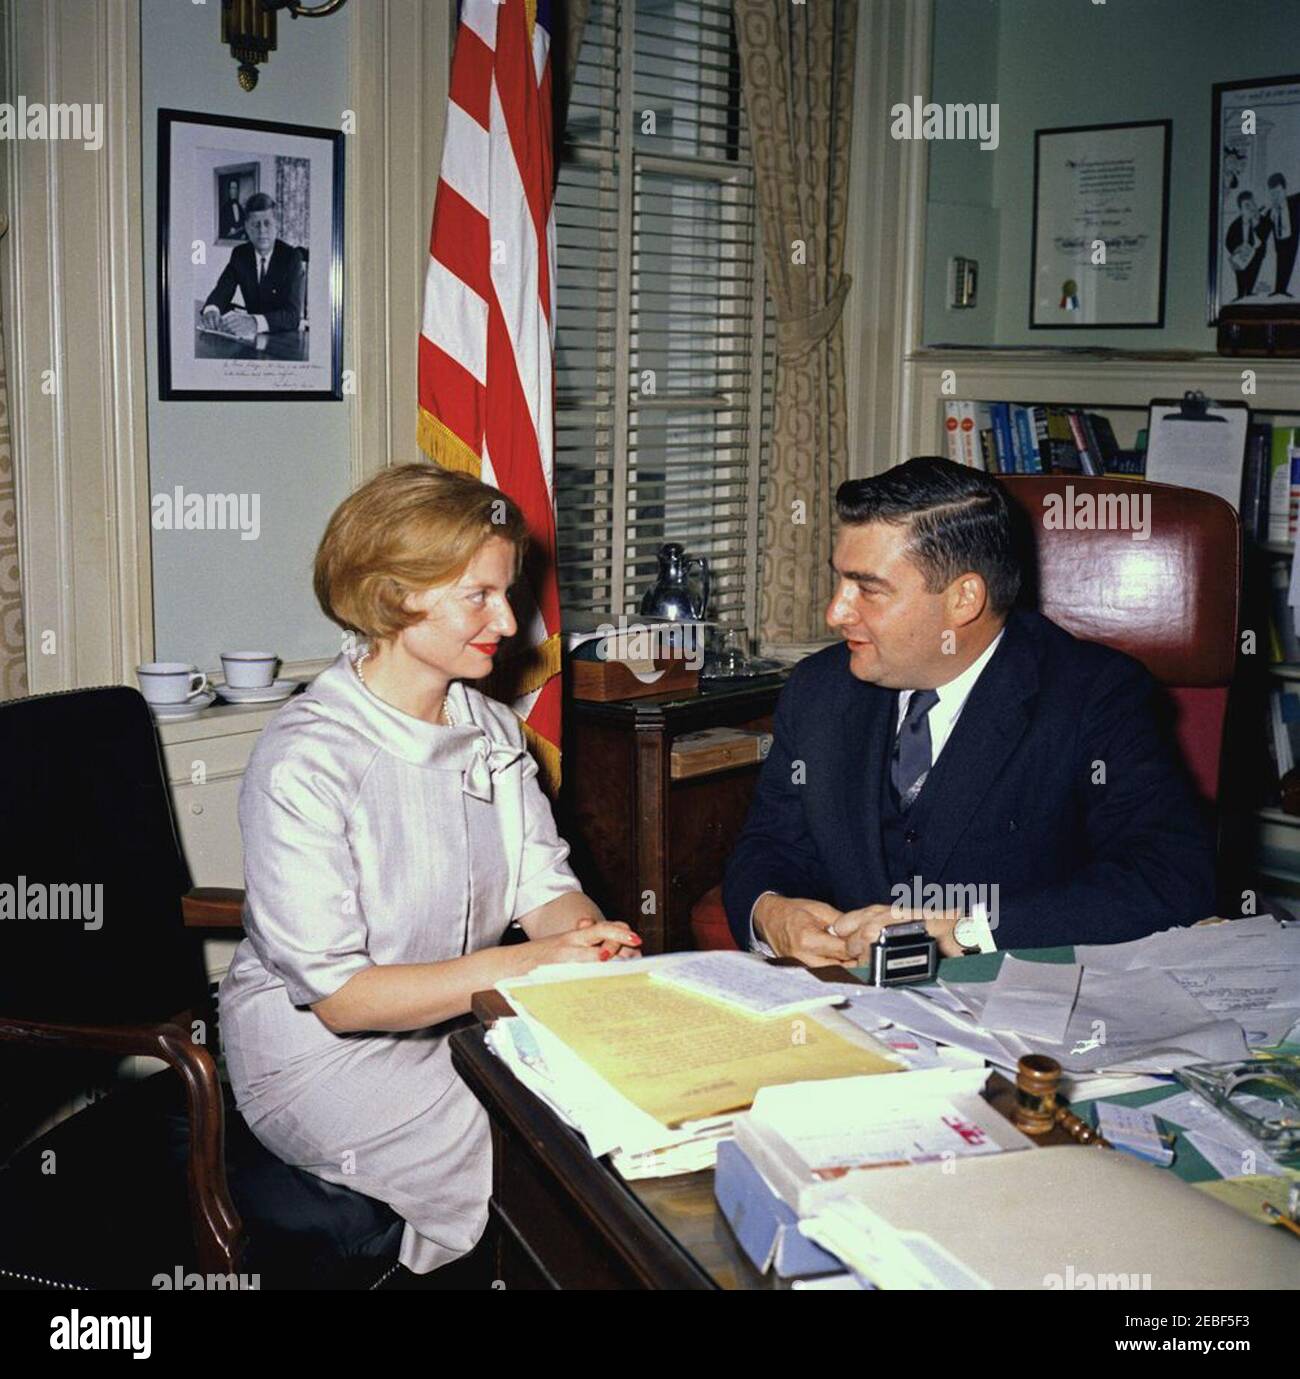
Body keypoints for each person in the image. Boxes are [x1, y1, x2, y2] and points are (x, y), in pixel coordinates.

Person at [219, 464, 639, 1277]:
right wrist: (527, 965)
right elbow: (341, 998)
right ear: (391, 597)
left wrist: (586, 940)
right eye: (478, 596)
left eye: (507, 592)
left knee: (618, 1104)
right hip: (314, 1057)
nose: (510, 620)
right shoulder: (304, 758)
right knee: (543, 1156)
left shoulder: (487, 725)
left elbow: (542, 887)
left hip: (459, 1024)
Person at [723, 456, 1214, 966]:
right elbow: (770, 844)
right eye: (841, 582)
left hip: (1018, 1012)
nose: (836, 611)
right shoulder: (820, 688)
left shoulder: (1095, 695)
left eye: (867, 589)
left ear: (964, 599)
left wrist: (967, 929)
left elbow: (1172, 879)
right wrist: (771, 913)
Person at [202, 191, 304, 339]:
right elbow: (222, 289)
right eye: (255, 224)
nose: (262, 231)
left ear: (276, 225)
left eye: (267, 223)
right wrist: (212, 309)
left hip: (283, 338)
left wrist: (255, 322)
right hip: (250, 339)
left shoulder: (291, 257)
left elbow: (293, 316)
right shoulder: (240, 254)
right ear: (247, 228)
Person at [1225, 190, 1270, 299]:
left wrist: (1256, 224)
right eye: (1247, 206)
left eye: (1253, 204)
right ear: (1241, 210)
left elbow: (1266, 234)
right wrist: (1236, 249)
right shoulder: (1235, 225)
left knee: (1253, 277)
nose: (1251, 208)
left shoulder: (1262, 220)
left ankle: (1250, 293)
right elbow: (1228, 241)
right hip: (1241, 257)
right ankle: (1241, 295)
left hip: (1257, 256)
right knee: (1241, 278)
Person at [1265, 172, 1300, 297]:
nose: (1276, 197)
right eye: (1273, 194)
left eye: (1278, 192)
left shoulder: (1295, 201)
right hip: (1280, 241)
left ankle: (1285, 289)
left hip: (1292, 239)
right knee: (1280, 264)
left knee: (1290, 263)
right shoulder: (1270, 211)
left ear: (1285, 190)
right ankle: (1279, 289)